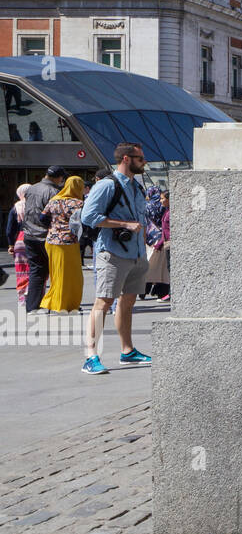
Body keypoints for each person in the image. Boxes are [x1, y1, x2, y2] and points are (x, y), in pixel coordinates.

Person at [79, 143, 154, 375]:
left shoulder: (137, 187)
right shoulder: (106, 185)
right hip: (112, 253)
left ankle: (127, 350)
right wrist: (124, 224)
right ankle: (91, 355)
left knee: (127, 302)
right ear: (125, 158)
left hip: (136, 253)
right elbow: (89, 216)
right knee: (104, 302)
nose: (143, 161)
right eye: (139, 158)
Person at [22, 165, 68, 313]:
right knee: (55, 271)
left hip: (29, 234)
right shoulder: (54, 191)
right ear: (58, 177)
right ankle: (54, 302)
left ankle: (32, 305)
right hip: (46, 236)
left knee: (36, 271)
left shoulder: (31, 188)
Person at [38, 175, 86, 314]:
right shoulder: (78, 203)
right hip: (69, 242)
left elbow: (42, 218)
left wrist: (55, 227)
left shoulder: (54, 200)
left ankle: (53, 301)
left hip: (51, 241)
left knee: (56, 273)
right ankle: (68, 304)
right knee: (72, 275)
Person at [7, 183, 31, 307]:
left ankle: (22, 297)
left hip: (20, 241)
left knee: (21, 269)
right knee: (35, 269)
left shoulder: (16, 208)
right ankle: (34, 296)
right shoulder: (36, 205)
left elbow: (10, 229)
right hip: (36, 238)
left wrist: (11, 245)